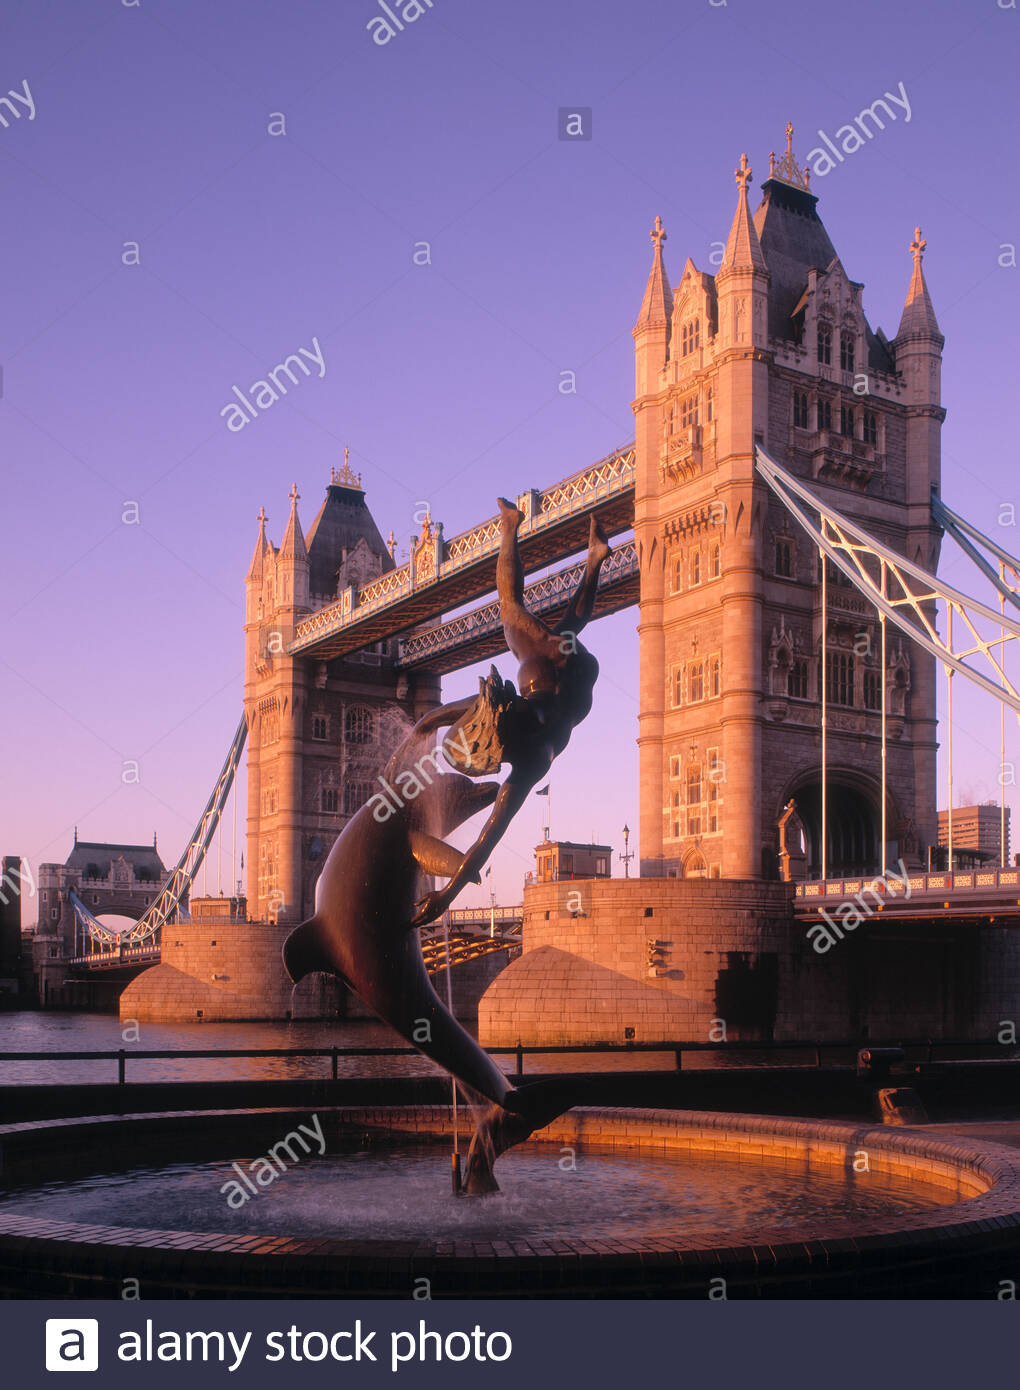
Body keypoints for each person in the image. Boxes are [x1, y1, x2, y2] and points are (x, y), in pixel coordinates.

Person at [411, 500, 610, 926]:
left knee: (562, 628)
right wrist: (421, 730)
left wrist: (445, 898)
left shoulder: (527, 761)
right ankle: (512, 526)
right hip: (567, 669)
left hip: (568, 669)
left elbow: (485, 842)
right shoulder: (514, 724)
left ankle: (593, 558)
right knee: (510, 607)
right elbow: (441, 716)